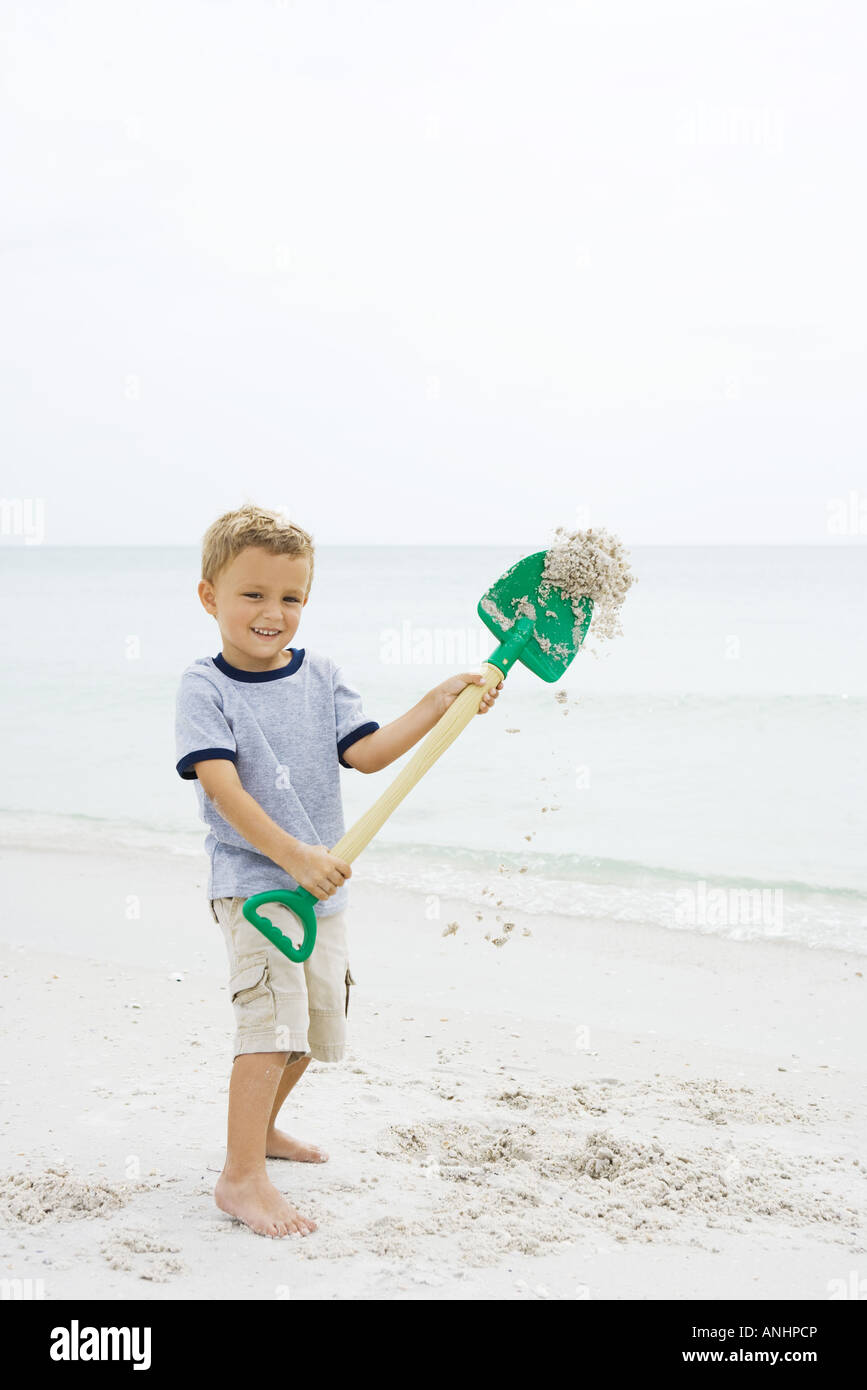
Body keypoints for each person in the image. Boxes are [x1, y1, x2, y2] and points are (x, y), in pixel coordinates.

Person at [174, 503, 503, 1239]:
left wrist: (438, 704)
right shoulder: (206, 687)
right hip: (257, 886)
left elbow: (368, 753)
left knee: (310, 1031)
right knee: (267, 1024)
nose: (272, 612)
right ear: (210, 598)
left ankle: (259, 1135)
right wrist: (292, 854)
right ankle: (239, 1179)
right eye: (252, 594)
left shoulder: (320, 674)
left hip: (321, 888)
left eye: (290, 598)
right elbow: (222, 790)